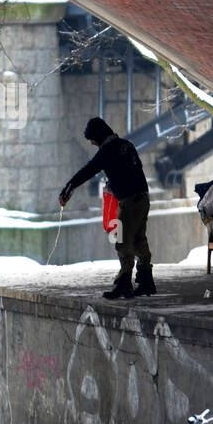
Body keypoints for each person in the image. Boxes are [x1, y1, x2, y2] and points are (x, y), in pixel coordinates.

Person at [59, 117, 154, 299]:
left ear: (98, 136)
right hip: (143, 197)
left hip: (129, 200)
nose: (92, 143)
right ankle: (146, 280)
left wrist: (68, 189)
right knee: (139, 239)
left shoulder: (107, 150)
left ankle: (125, 283)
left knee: (123, 240)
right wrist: (114, 182)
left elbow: (88, 170)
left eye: (92, 139)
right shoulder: (126, 145)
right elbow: (132, 169)